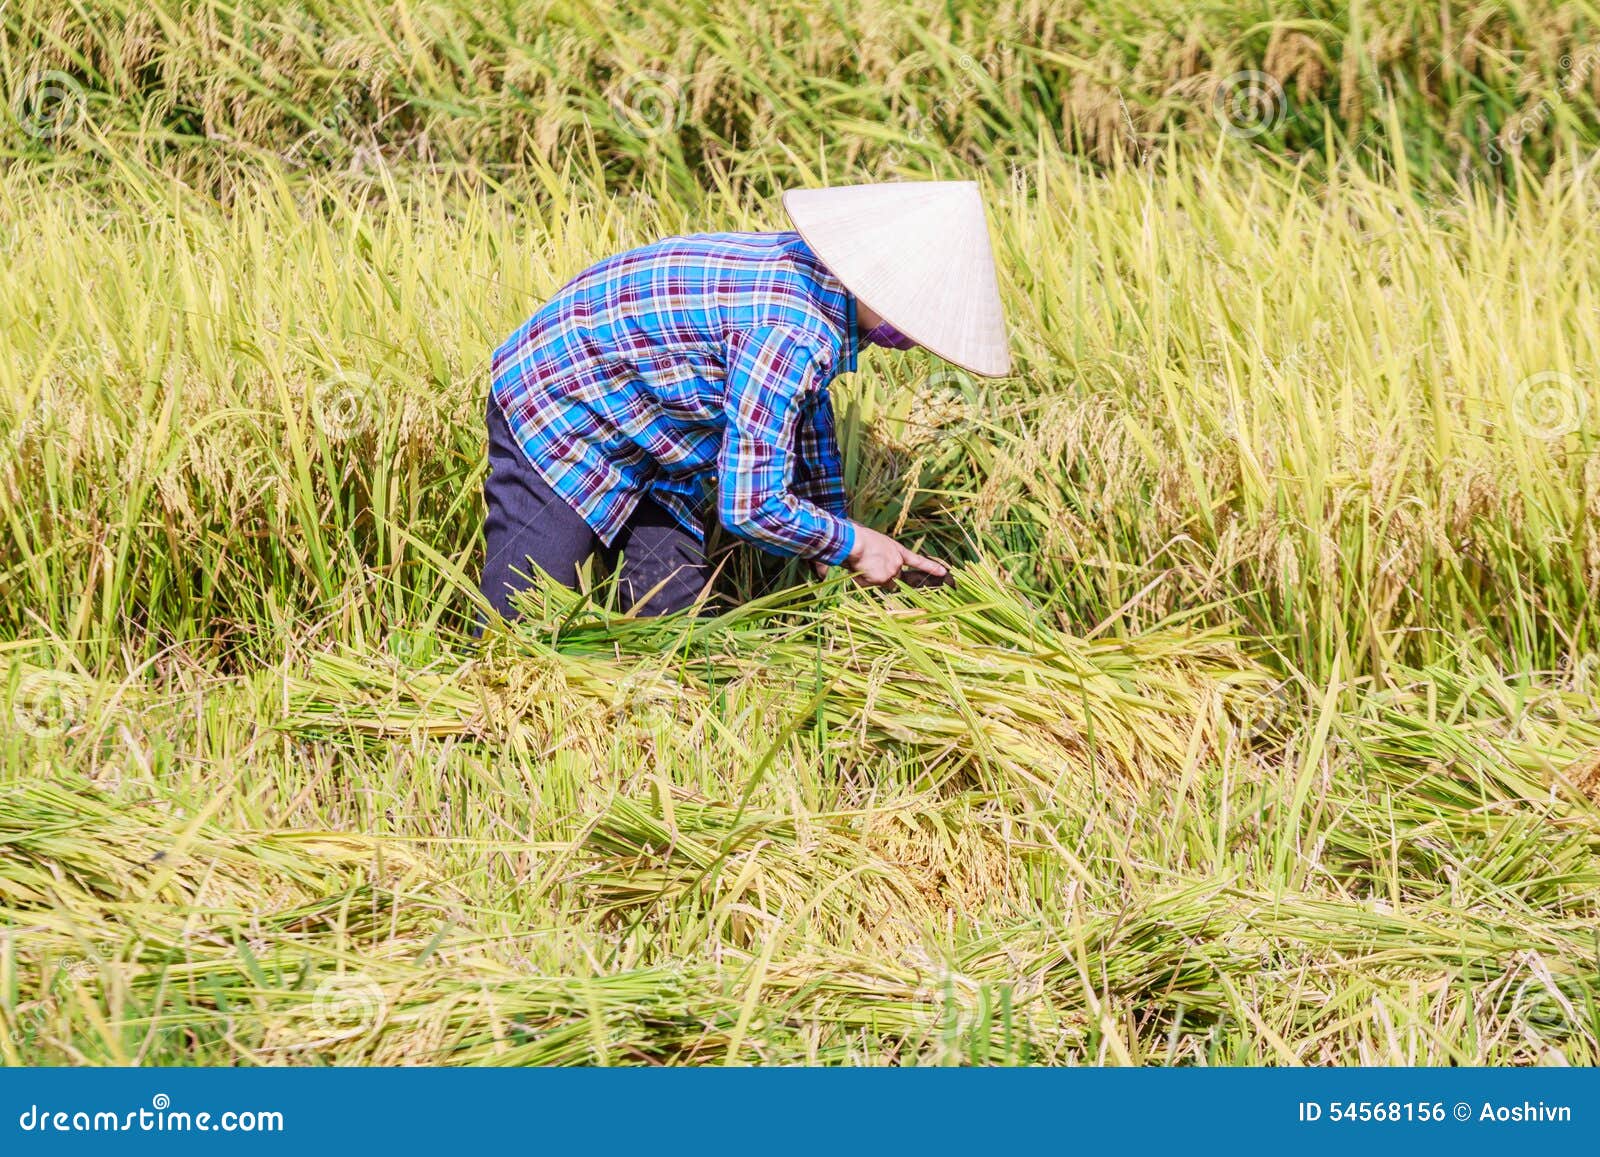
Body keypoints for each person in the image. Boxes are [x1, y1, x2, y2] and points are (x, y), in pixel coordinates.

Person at [480, 179, 1011, 619]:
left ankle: (658, 732)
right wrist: (854, 544)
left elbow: (804, 412)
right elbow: (749, 505)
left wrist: (832, 528)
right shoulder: (790, 327)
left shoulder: (822, 293)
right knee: (524, 620)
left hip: (661, 427)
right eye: (919, 316)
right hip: (560, 403)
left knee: (676, 627)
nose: (914, 337)